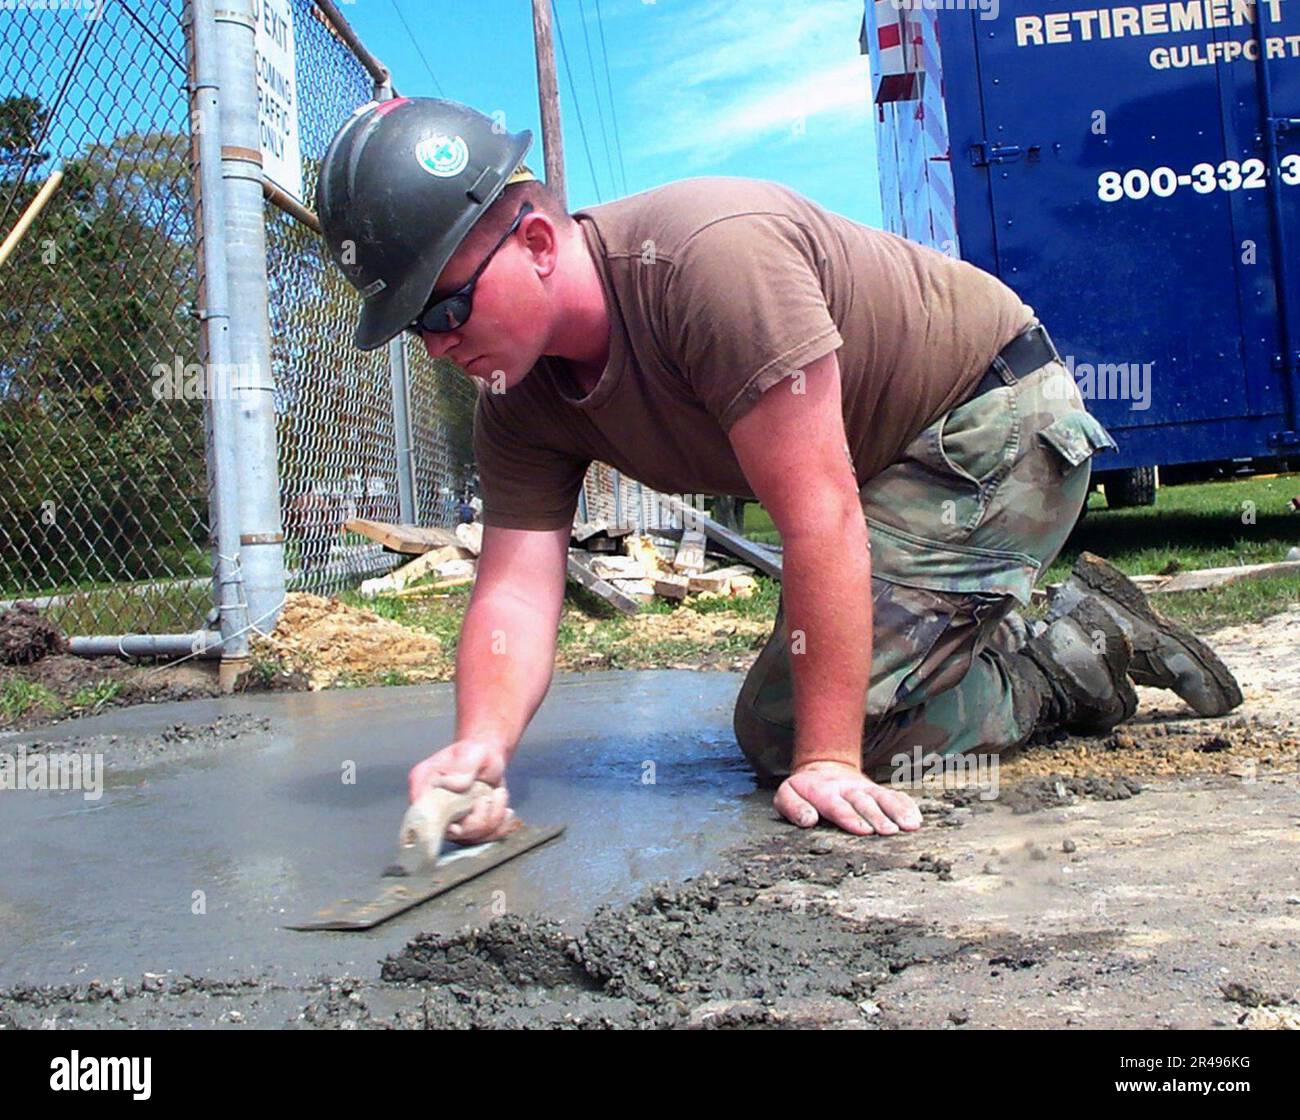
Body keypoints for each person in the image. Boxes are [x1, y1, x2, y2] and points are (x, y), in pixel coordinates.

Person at [316, 98, 1242, 840]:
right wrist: (481, 748)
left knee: (794, 735)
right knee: (790, 721)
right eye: (411, 330)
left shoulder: (709, 266)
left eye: (442, 310)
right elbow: (516, 591)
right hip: (879, 467)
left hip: (991, 419)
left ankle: (1067, 656)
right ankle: (985, 638)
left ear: (540, 245)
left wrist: (831, 759)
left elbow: (821, 519)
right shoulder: (517, 402)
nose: (435, 348)